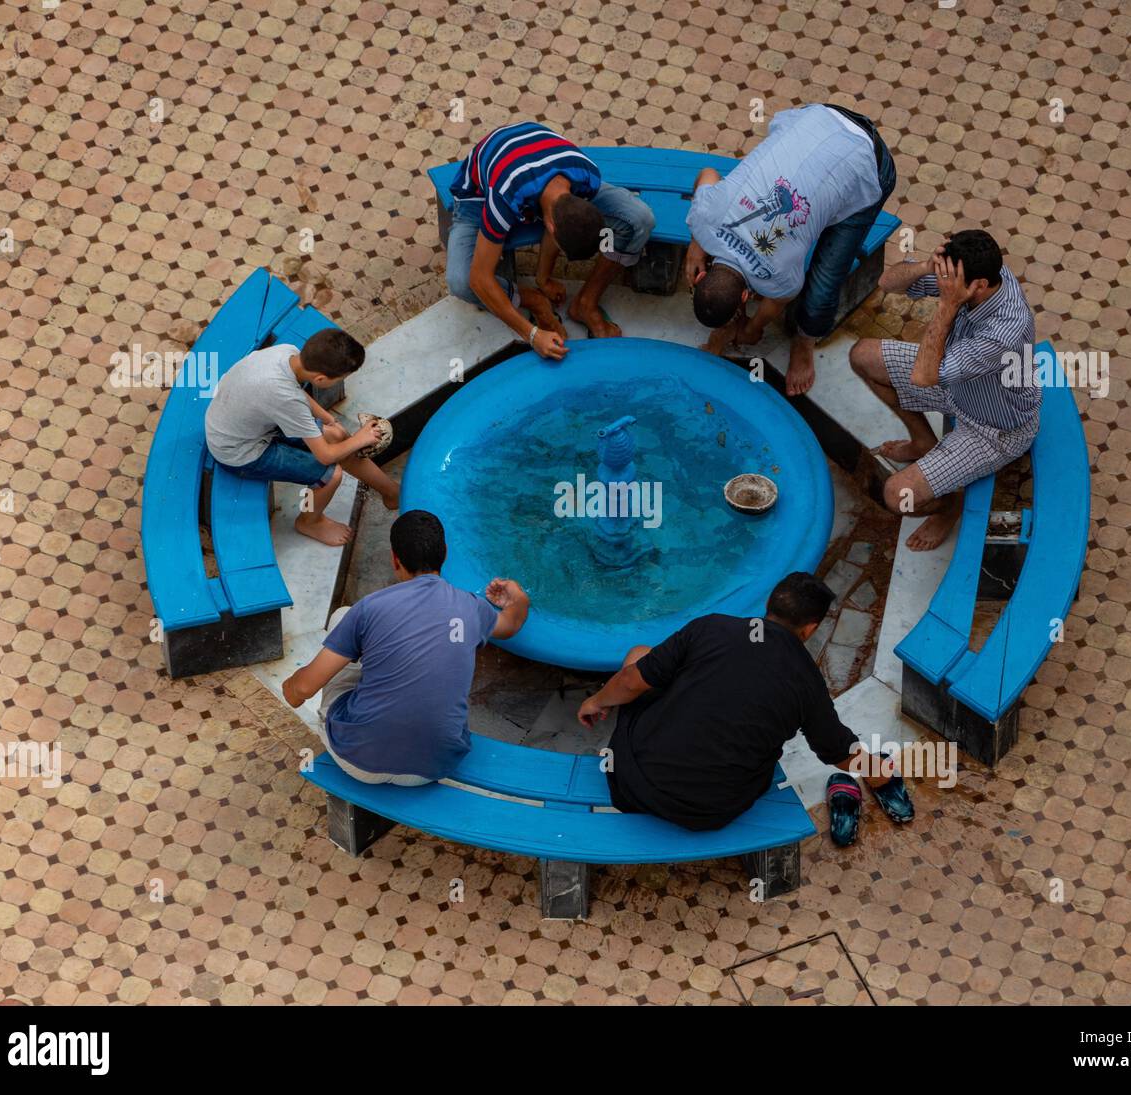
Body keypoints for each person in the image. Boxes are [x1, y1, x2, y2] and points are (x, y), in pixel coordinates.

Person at [577, 572, 913, 838]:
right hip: (710, 809)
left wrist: (595, 700)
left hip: (631, 782)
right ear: (810, 628)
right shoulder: (807, 681)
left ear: (769, 605)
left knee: (639, 656)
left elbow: (630, 681)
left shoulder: (710, 628)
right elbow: (838, 751)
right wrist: (880, 774)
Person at [282, 510, 530, 785]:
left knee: (343, 617)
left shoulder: (369, 608)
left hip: (358, 761)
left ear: (394, 559)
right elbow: (510, 625)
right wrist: (518, 597)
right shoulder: (473, 607)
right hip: (436, 765)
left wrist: (289, 687)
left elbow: (302, 691)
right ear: (444, 553)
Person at [684, 103, 897, 395]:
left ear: (747, 295)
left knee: (823, 285)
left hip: (869, 163)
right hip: (816, 117)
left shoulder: (779, 276)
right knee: (814, 214)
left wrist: (753, 327)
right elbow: (707, 173)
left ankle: (804, 342)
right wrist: (697, 239)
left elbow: (781, 298)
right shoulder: (705, 216)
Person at [850, 229, 1037, 551]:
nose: (943, 282)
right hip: (959, 388)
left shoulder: (1005, 331)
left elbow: (925, 376)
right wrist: (925, 266)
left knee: (899, 497)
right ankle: (923, 441)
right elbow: (886, 283)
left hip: (993, 427)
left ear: (978, 286)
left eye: (950, 279)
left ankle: (949, 507)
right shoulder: (980, 273)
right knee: (863, 355)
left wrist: (947, 305)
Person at [444, 120, 656, 359]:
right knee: (459, 281)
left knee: (640, 219)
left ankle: (586, 303)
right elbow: (478, 279)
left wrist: (544, 278)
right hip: (480, 196)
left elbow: (560, 218)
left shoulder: (586, 175)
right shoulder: (505, 198)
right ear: (551, 226)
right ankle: (533, 299)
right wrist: (532, 335)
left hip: (539, 178)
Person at [205, 328, 399, 547]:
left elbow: (296, 392)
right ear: (320, 378)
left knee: (336, 435)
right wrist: (361, 439)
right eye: (341, 379)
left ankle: (391, 492)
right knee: (330, 476)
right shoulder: (285, 399)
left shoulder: (286, 353)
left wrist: (327, 419)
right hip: (239, 451)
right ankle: (308, 520)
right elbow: (325, 456)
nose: (341, 381)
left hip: (246, 422)